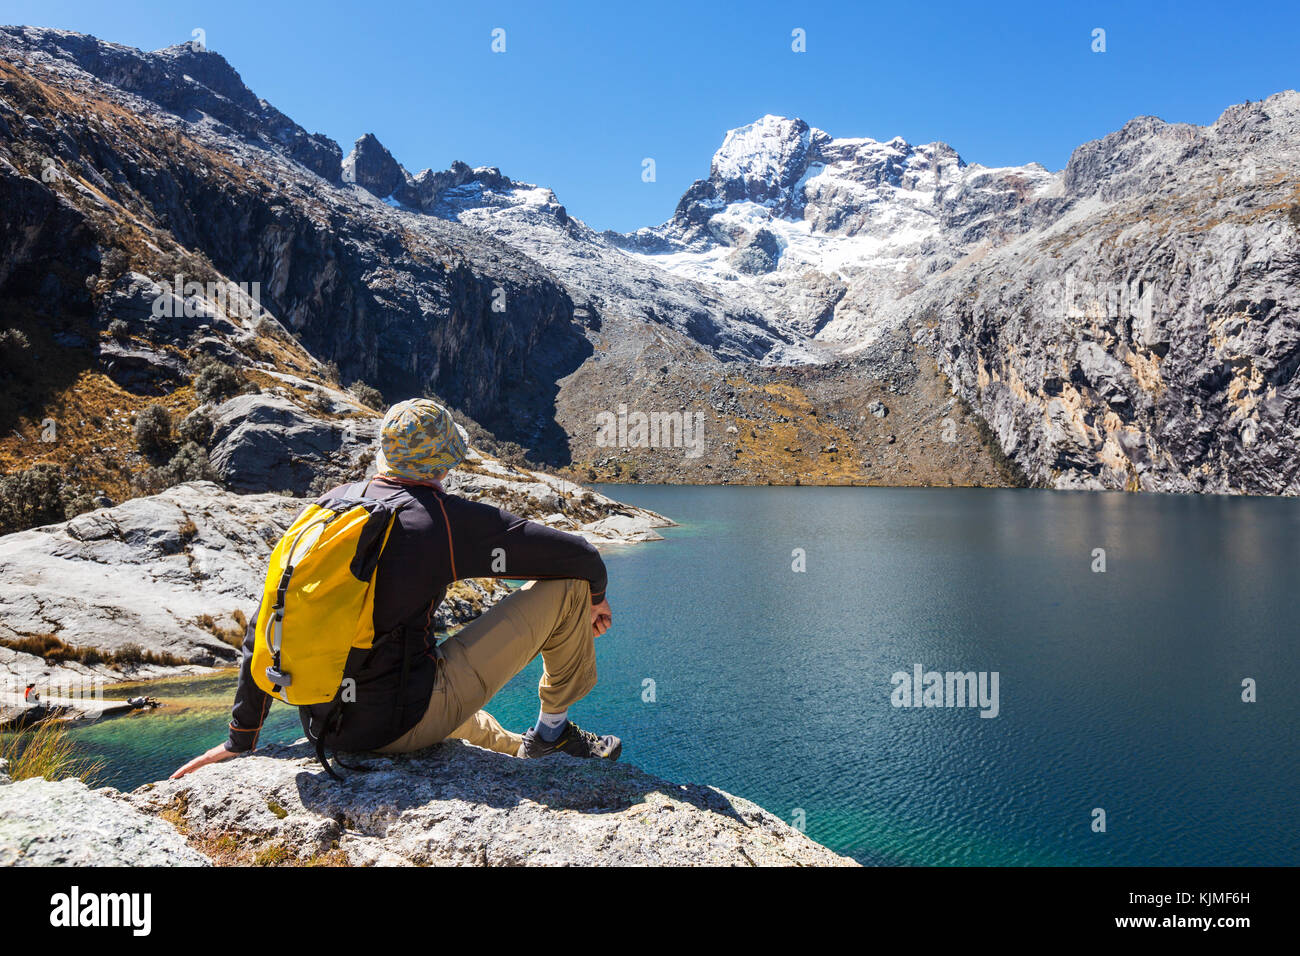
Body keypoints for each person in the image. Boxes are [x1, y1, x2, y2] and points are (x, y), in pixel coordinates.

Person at [172, 399, 620, 779]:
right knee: (568, 590)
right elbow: (580, 557)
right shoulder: (440, 518)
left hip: (327, 724)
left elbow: (268, 622)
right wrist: (593, 600)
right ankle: (552, 734)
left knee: (467, 720)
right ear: (447, 460)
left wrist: (241, 738)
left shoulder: (329, 507)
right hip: (399, 724)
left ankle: (522, 753)